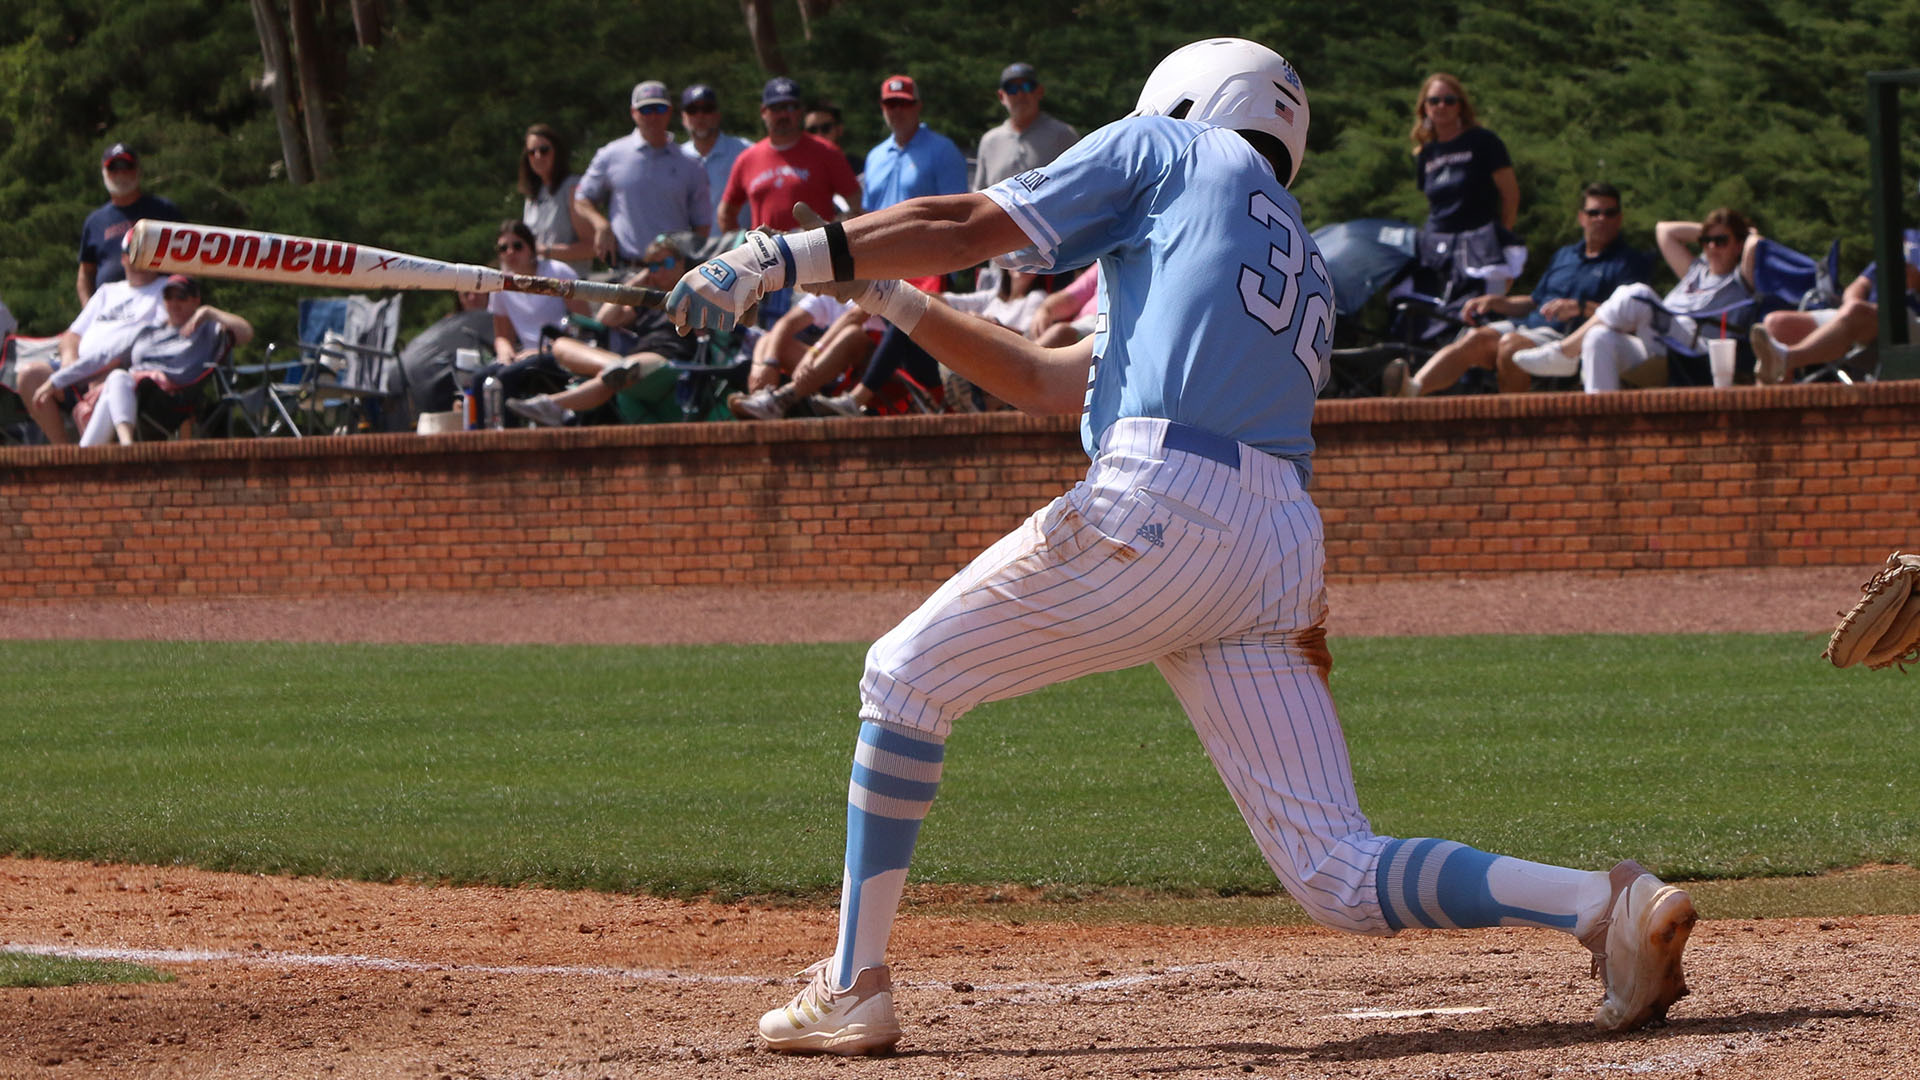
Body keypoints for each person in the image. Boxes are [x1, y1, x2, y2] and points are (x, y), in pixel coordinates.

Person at [666, 36, 1697, 1055]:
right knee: (1336, 870)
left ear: (1187, 94)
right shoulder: (1276, 233)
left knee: (903, 679)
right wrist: (891, 299)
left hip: (1165, 500)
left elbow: (968, 218)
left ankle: (852, 985)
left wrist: (785, 252)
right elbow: (1048, 380)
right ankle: (1603, 905)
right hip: (1275, 545)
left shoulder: (1165, 148)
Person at [1383, 181, 1654, 397]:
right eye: (1594, 212)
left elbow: (1626, 314)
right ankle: (1412, 390)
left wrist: (1579, 307)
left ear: (1619, 218)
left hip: (1566, 341)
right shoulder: (1564, 256)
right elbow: (1535, 301)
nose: (1601, 219)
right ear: (1582, 218)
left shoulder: (1627, 262)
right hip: (1527, 326)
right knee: (1475, 338)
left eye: (1609, 213)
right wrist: (1497, 301)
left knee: (1509, 346)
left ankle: (1511, 429)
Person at [1511, 208, 1759, 392]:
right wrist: (1710, 231)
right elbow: (1664, 229)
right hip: (1658, 342)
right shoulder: (1694, 270)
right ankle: (1602, 433)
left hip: (1695, 349)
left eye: (1722, 241)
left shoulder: (1741, 280)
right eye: (1707, 241)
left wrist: (1745, 234)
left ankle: (1564, 352)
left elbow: (1755, 245)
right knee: (1599, 338)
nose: (1712, 247)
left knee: (1637, 293)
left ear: (1738, 245)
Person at [507, 235, 701, 427]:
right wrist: (635, 283)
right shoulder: (648, 301)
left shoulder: (694, 295)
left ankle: (553, 404)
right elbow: (605, 319)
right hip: (633, 360)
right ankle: (619, 369)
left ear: (680, 263)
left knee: (617, 373)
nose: (659, 271)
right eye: (652, 266)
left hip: (668, 359)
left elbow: (705, 336)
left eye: (665, 263)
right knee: (561, 344)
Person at [717, 77, 863, 326]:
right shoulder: (748, 158)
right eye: (776, 108)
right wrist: (740, 242)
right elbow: (726, 212)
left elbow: (855, 203)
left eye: (790, 107)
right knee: (762, 334)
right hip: (764, 264)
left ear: (801, 112)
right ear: (764, 112)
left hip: (813, 262)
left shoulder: (825, 151)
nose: (783, 114)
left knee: (808, 331)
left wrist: (835, 237)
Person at [73, 275, 252, 447]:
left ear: (196, 300)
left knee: (118, 379)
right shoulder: (153, 330)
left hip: (172, 397)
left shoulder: (207, 329)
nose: (174, 303)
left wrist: (209, 311)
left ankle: (124, 447)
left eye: (181, 297)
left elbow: (246, 333)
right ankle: (86, 459)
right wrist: (61, 381)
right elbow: (110, 357)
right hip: (136, 391)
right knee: (112, 387)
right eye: (168, 297)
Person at [18, 248, 169, 443]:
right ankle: (63, 455)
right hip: (80, 371)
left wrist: (95, 370)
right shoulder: (107, 291)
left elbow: (151, 339)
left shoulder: (167, 289)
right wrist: (69, 364)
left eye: (145, 256)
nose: (139, 262)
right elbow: (71, 336)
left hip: (121, 371)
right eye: (134, 256)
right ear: (123, 259)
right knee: (29, 375)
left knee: (109, 384)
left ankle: (90, 462)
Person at [574, 80, 712, 268]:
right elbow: (582, 199)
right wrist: (601, 225)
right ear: (633, 113)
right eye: (646, 110)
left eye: (659, 109)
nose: (653, 116)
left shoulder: (690, 164)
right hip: (626, 268)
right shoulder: (611, 155)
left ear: (670, 112)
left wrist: (689, 263)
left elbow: (702, 225)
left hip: (672, 272)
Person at [1751, 230, 1920, 383]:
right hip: (1864, 315)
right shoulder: (1907, 237)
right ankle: (1771, 412)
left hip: (1909, 321)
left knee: (1856, 313)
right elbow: (1860, 284)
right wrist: (1854, 302)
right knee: (1777, 324)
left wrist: (1916, 283)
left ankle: (1787, 358)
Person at [1410, 74, 1522, 295]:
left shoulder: (1484, 141)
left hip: (1481, 247)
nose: (1442, 106)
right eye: (1434, 101)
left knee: (1483, 312)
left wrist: (1502, 236)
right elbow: (1435, 204)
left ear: (1461, 105)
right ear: (1424, 107)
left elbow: (1511, 195)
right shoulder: (1426, 153)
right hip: (1438, 248)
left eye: (1449, 100)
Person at [78, 143, 181, 306]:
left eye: (127, 166)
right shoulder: (95, 221)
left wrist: (183, 301)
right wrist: (89, 311)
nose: (121, 174)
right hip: (111, 310)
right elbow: (86, 273)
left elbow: (188, 263)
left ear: (138, 169)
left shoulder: (164, 210)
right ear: (104, 173)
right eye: (113, 168)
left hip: (160, 306)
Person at [861, 75, 969, 212]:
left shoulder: (944, 151)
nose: (897, 110)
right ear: (882, 107)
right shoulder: (875, 156)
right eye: (891, 104)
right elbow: (867, 211)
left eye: (904, 103)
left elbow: (957, 212)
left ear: (918, 106)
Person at [489, 220, 589, 366]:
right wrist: (504, 351)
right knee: (482, 378)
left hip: (562, 353)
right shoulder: (500, 286)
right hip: (525, 358)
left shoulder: (557, 272)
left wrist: (543, 350)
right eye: (503, 248)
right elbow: (502, 336)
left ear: (531, 247)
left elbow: (584, 325)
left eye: (517, 246)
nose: (510, 252)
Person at [972, 62, 1079, 190]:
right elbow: (979, 194)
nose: (1020, 94)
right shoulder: (990, 140)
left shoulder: (1064, 135)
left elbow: (1078, 188)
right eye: (1011, 88)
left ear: (1039, 92)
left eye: (1027, 86)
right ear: (1001, 96)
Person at [398, 291, 493, 416]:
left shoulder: (501, 320)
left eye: (477, 293)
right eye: (466, 294)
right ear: (460, 298)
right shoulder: (449, 325)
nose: (472, 297)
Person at [519, 124, 594, 275]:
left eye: (544, 150)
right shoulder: (532, 196)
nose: (538, 156)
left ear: (557, 152)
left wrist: (544, 251)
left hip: (570, 287)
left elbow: (592, 248)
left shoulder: (572, 188)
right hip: (539, 288)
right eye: (532, 152)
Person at [677, 84, 753, 233]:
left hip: (738, 250)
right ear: (683, 117)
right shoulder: (676, 158)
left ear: (718, 114)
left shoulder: (745, 151)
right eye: (692, 110)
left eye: (707, 109)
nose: (700, 116)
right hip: (692, 253)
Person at [803, 102, 866, 184]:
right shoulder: (799, 173)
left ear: (839, 129)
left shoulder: (860, 168)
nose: (819, 135)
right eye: (812, 130)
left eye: (826, 128)